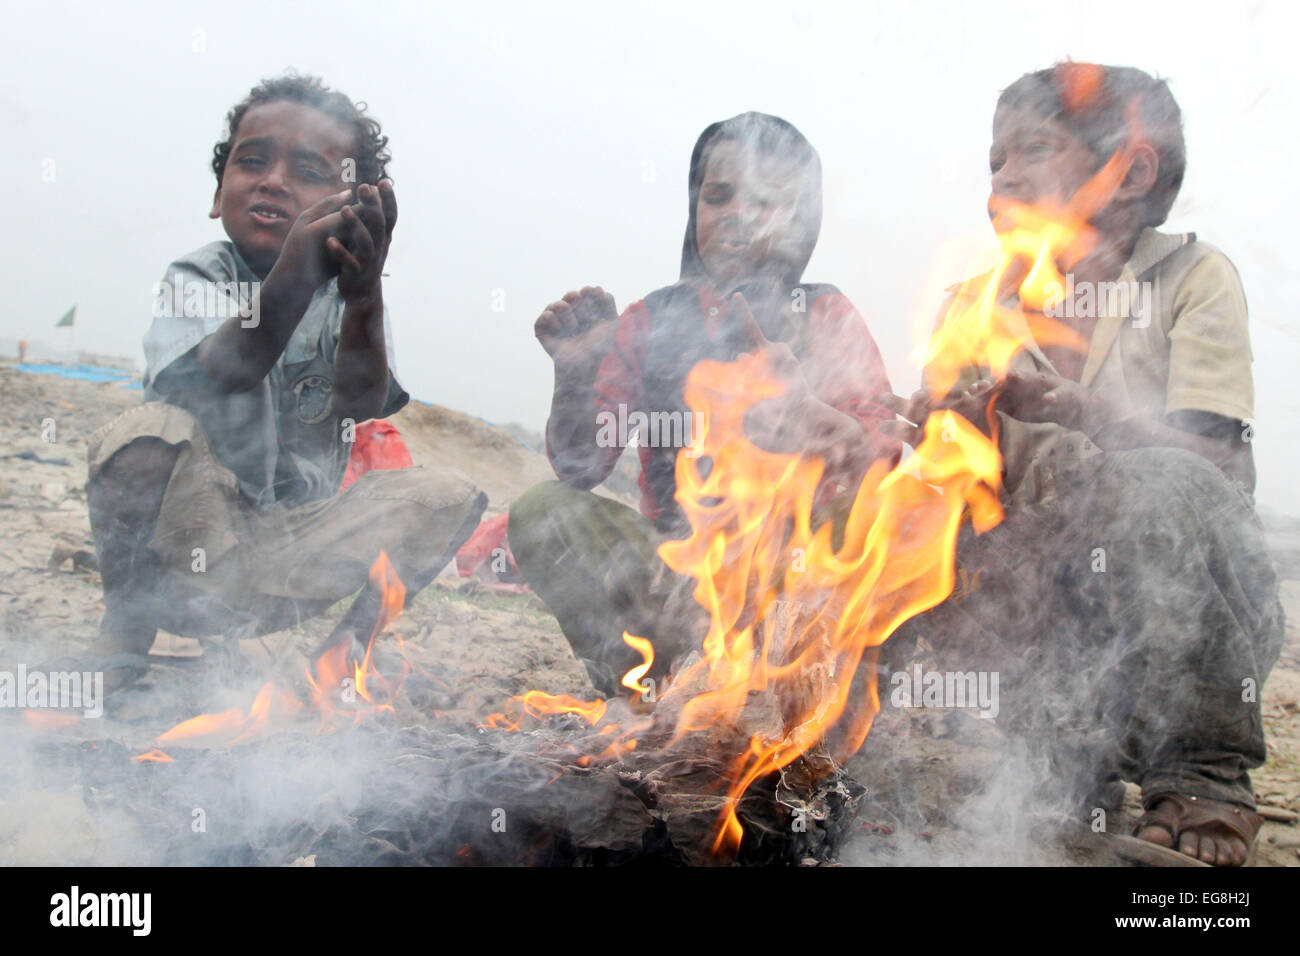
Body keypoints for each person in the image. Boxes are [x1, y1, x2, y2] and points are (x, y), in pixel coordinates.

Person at [884, 63, 1284, 865]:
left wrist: (1084, 413)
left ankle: (1201, 770)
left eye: (1033, 147)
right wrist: (926, 444)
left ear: (1131, 171)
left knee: (1149, 483)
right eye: (994, 160)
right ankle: (1060, 758)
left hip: (1190, 624)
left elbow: (1215, 468)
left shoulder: (1190, 280)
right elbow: (961, 496)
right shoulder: (972, 306)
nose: (1004, 176)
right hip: (1048, 633)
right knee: (877, 507)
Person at [72, 75, 486, 692]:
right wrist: (297, 263)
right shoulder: (198, 273)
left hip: (293, 558)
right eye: (254, 161)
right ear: (218, 194)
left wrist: (365, 290)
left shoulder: (346, 295)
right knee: (144, 430)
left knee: (451, 493)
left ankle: (340, 660)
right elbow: (231, 366)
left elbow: (364, 400)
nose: (273, 181)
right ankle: (125, 637)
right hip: (185, 550)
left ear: (354, 209)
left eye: (310, 173)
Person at [509, 112, 899, 696]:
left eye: (767, 200)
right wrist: (575, 373)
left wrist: (810, 422)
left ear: (801, 219)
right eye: (718, 197)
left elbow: (884, 464)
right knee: (544, 513)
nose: (738, 214)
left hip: (796, 590)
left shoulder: (825, 315)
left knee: (886, 524)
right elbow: (579, 467)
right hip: (676, 587)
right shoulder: (650, 319)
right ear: (695, 211)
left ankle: (804, 703)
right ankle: (647, 695)